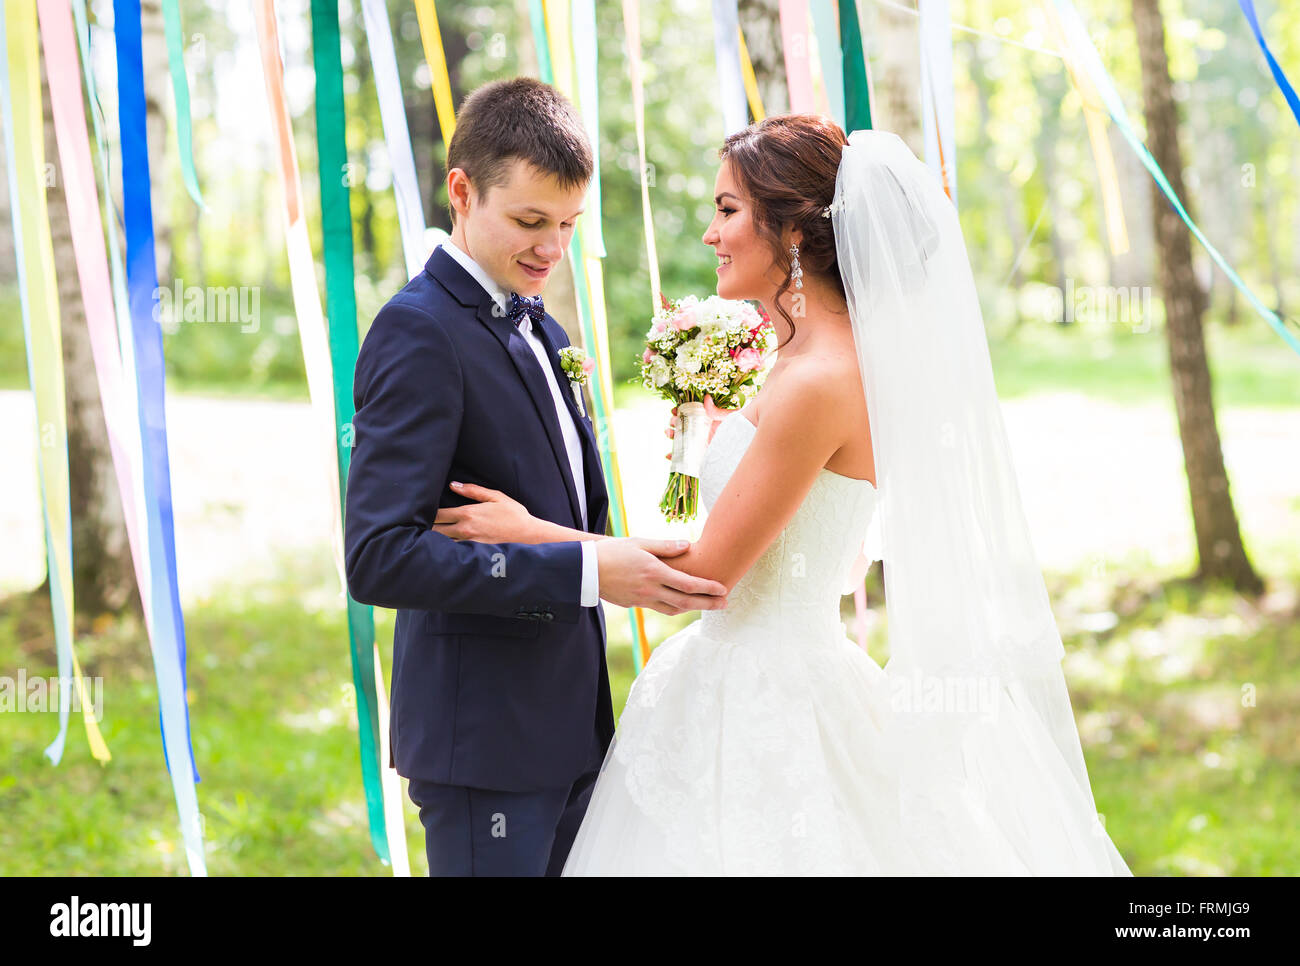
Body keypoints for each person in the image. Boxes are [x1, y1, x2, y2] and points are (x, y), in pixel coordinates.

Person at [435, 114, 1132, 875]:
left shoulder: (818, 381)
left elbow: (706, 575)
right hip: (775, 672)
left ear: (794, 231)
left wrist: (527, 530)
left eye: (728, 209)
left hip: (766, 702)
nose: (710, 234)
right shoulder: (807, 364)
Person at [343, 77, 729, 877]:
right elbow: (380, 555)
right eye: (528, 221)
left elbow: (553, 510)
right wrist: (590, 569)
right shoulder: (417, 332)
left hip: (572, 727)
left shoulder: (542, 324)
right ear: (462, 191)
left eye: (567, 225)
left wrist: (616, 555)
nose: (552, 248)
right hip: (484, 742)